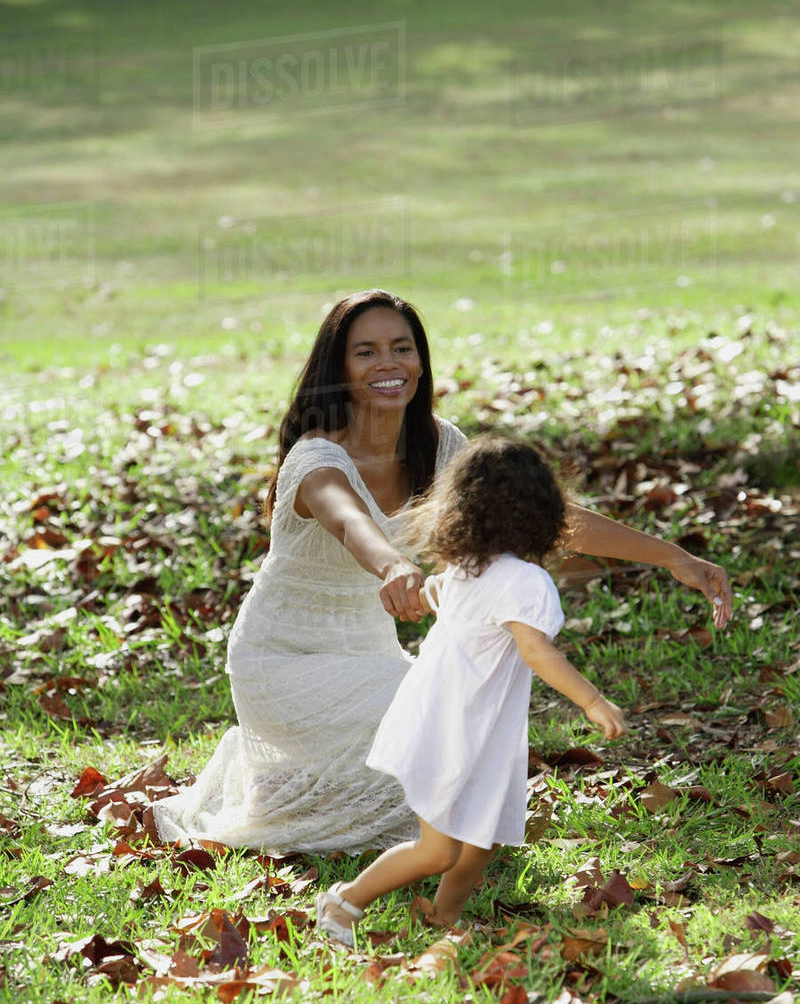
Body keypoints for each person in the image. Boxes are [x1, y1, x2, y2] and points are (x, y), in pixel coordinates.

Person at [152, 288, 731, 854]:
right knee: (448, 722)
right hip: (281, 663)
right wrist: (394, 566)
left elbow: (543, 514)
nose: (388, 363)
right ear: (339, 368)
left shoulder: (438, 445)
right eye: (366, 352)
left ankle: (338, 799)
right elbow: (351, 521)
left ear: (420, 361)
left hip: (367, 654)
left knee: (464, 721)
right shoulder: (316, 457)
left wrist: (674, 557)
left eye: (401, 348)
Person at [316, 437, 626, 945]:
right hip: (454, 725)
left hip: (465, 722)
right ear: (541, 512)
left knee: (481, 839)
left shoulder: (465, 569)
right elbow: (536, 651)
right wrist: (591, 700)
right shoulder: (524, 581)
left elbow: (438, 594)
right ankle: (345, 901)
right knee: (439, 851)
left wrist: (431, 595)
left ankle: (443, 919)